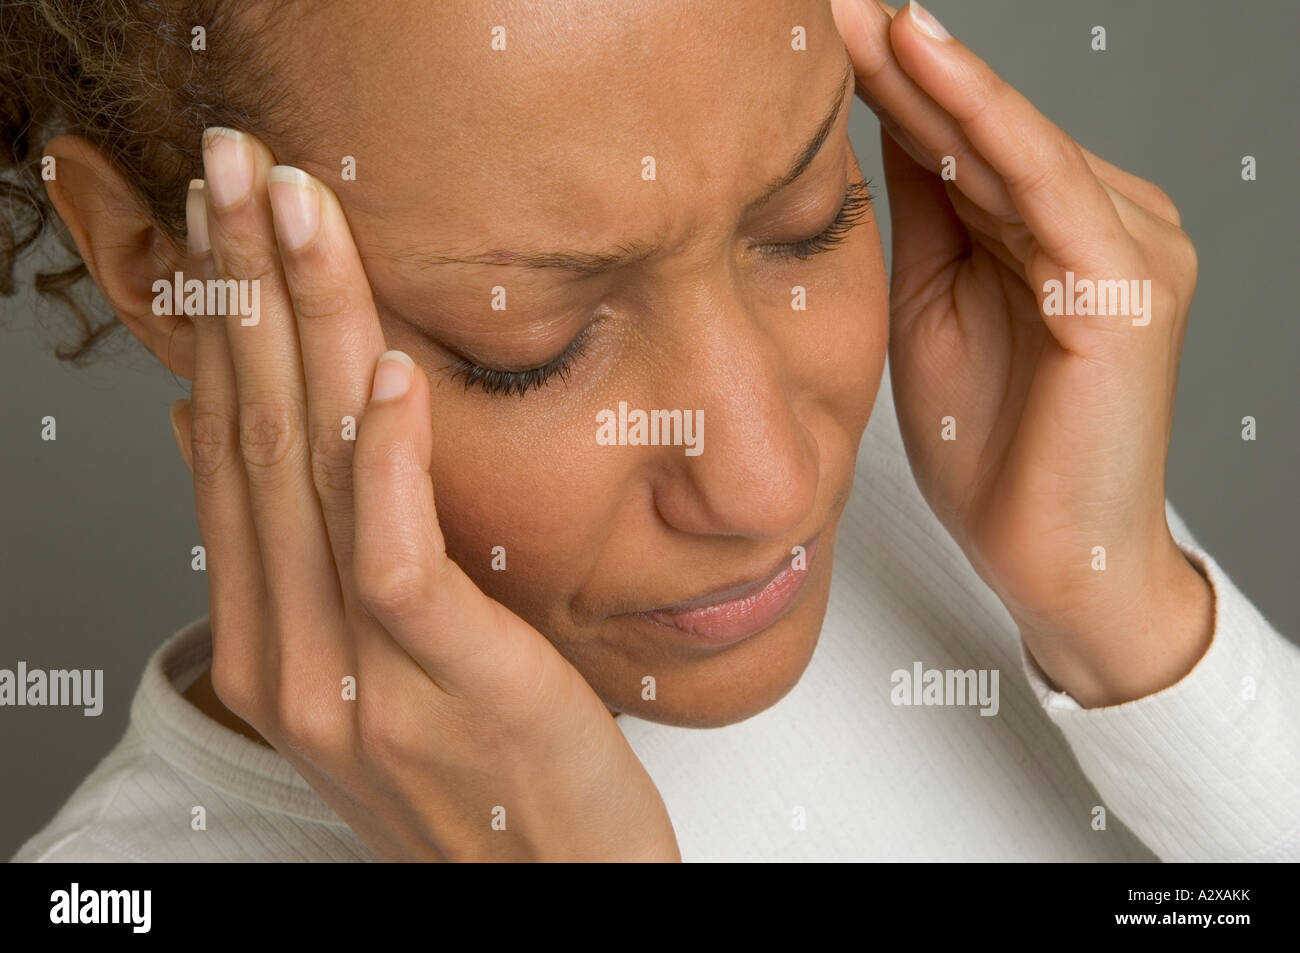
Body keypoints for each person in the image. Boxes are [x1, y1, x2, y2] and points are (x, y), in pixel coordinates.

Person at [6, 0, 1297, 861]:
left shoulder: (948, 479)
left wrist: (1144, 639)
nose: (771, 480)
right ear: (154, 262)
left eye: (805, 223)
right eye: (535, 347)